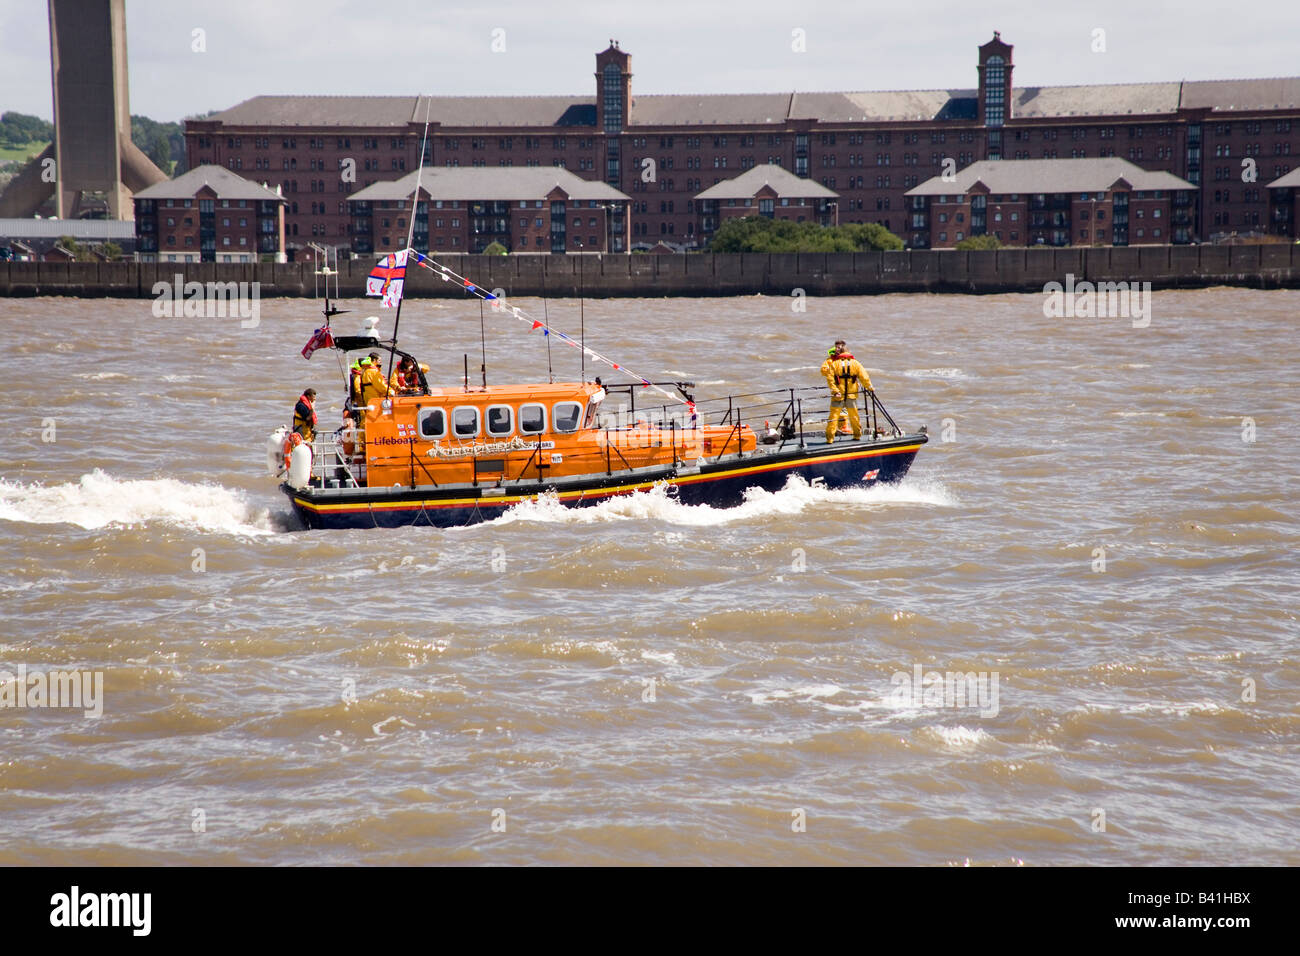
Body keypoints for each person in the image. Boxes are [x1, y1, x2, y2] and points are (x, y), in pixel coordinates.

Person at [822, 339, 873, 442]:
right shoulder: (856, 363)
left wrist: (835, 390)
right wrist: (870, 387)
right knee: (854, 416)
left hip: (838, 395)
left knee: (833, 417)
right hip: (851, 395)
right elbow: (864, 376)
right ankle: (857, 435)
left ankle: (830, 439)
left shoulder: (834, 364)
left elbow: (830, 379)